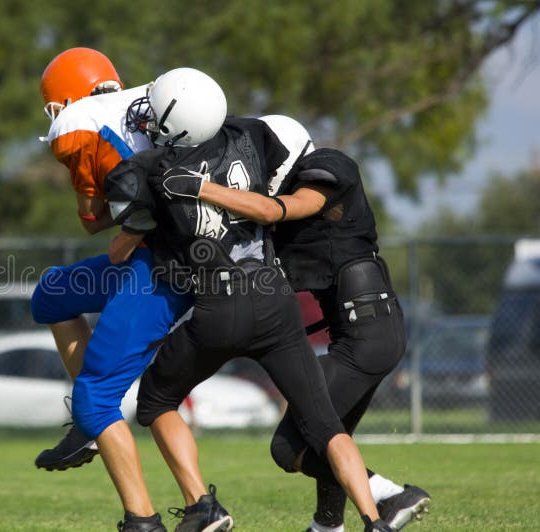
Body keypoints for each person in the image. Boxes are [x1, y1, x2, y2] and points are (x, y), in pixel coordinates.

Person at [105, 66, 394, 532]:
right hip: (274, 300)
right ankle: (374, 521)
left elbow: (121, 249)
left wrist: (134, 229)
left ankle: (202, 506)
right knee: (324, 424)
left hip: (218, 307)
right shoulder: (251, 135)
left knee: (156, 400)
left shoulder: (152, 169)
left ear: (176, 120)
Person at [151, 113, 431, 531]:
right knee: (329, 434)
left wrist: (202, 188)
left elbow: (273, 210)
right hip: (356, 331)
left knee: (289, 447)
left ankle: (388, 495)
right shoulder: (276, 187)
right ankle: (327, 525)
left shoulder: (330, 167)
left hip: (368, 330)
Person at [31, 47, 193, 531]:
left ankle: (151, 517)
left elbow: (89, 219)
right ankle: (90, 426)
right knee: (52, 293)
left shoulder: (79, 123)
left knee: (110, 396)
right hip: (189, 252)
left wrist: (112, 201)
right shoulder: (157, 102)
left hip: (162, 262)